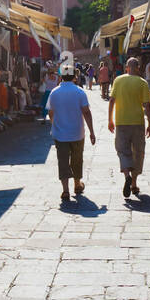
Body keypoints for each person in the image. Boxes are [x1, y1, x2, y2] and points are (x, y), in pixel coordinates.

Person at [47, 63, 95, 204]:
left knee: (62, 160)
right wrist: (92, 131)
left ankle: (65, 190)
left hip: (60, 133)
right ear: (75, 76)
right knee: (77, 158)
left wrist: (54, 124)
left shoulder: (54, 92)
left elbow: (51, 112)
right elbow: (86, 112)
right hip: (77, 132)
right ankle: (77, 184)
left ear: (61, 76)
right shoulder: (79, 92)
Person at [108, 57, 150, 198]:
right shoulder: (142, 83)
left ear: (126, 67)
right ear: (138, 68)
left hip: (121, 121)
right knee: (138, 152)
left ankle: (127, 175)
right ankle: (133, 183)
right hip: (138, 122)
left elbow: (112, 100)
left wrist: (110, 119)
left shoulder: (118, 80)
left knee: (122, 150)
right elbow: (147, 105)